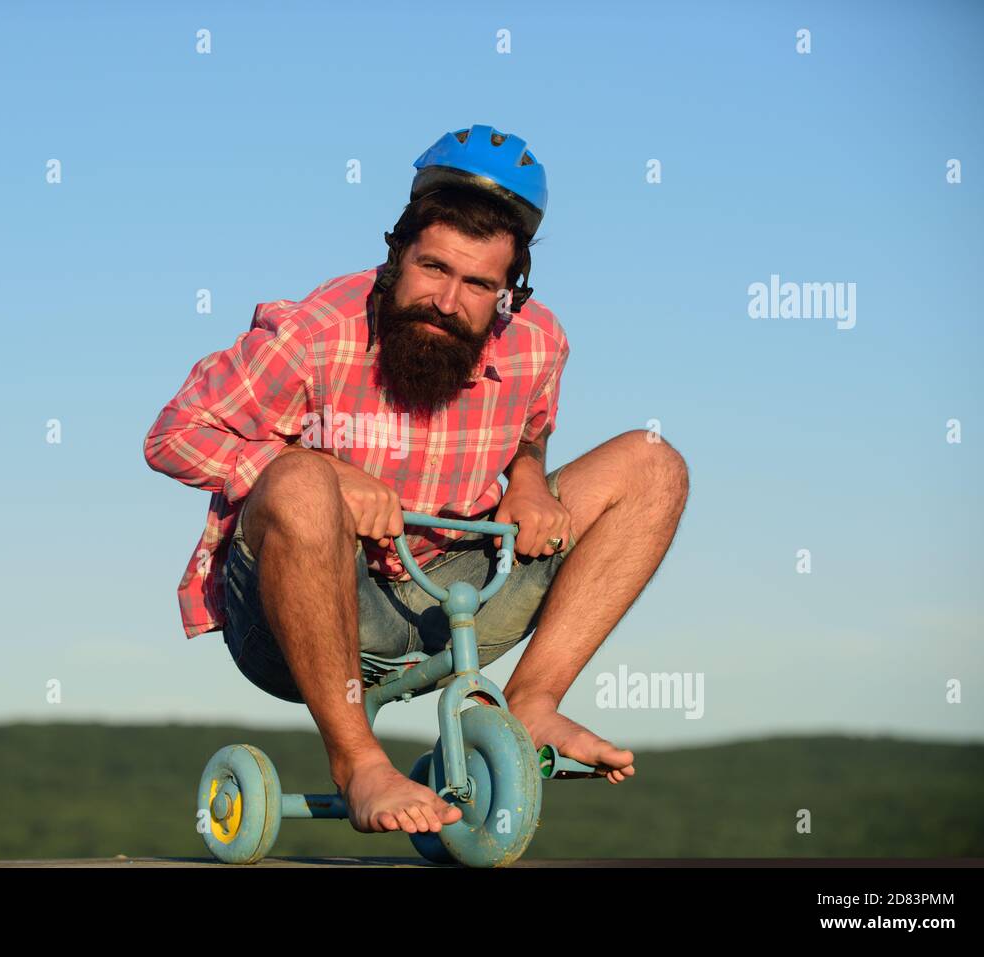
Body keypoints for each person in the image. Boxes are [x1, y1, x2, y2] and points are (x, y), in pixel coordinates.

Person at [145, 124, 689, 837]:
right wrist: (324, 474)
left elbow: (532, 423)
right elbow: (172, 434)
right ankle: (357, 760)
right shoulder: (316, 332)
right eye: (433, 268)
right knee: (301, 482)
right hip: (303, 610)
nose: (447, 299)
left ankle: (530, 702)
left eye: (479, 284)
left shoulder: (537, 341)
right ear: (396, 252)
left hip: (451, 596)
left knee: (654, 463)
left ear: (509, 292)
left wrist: (527, 475)